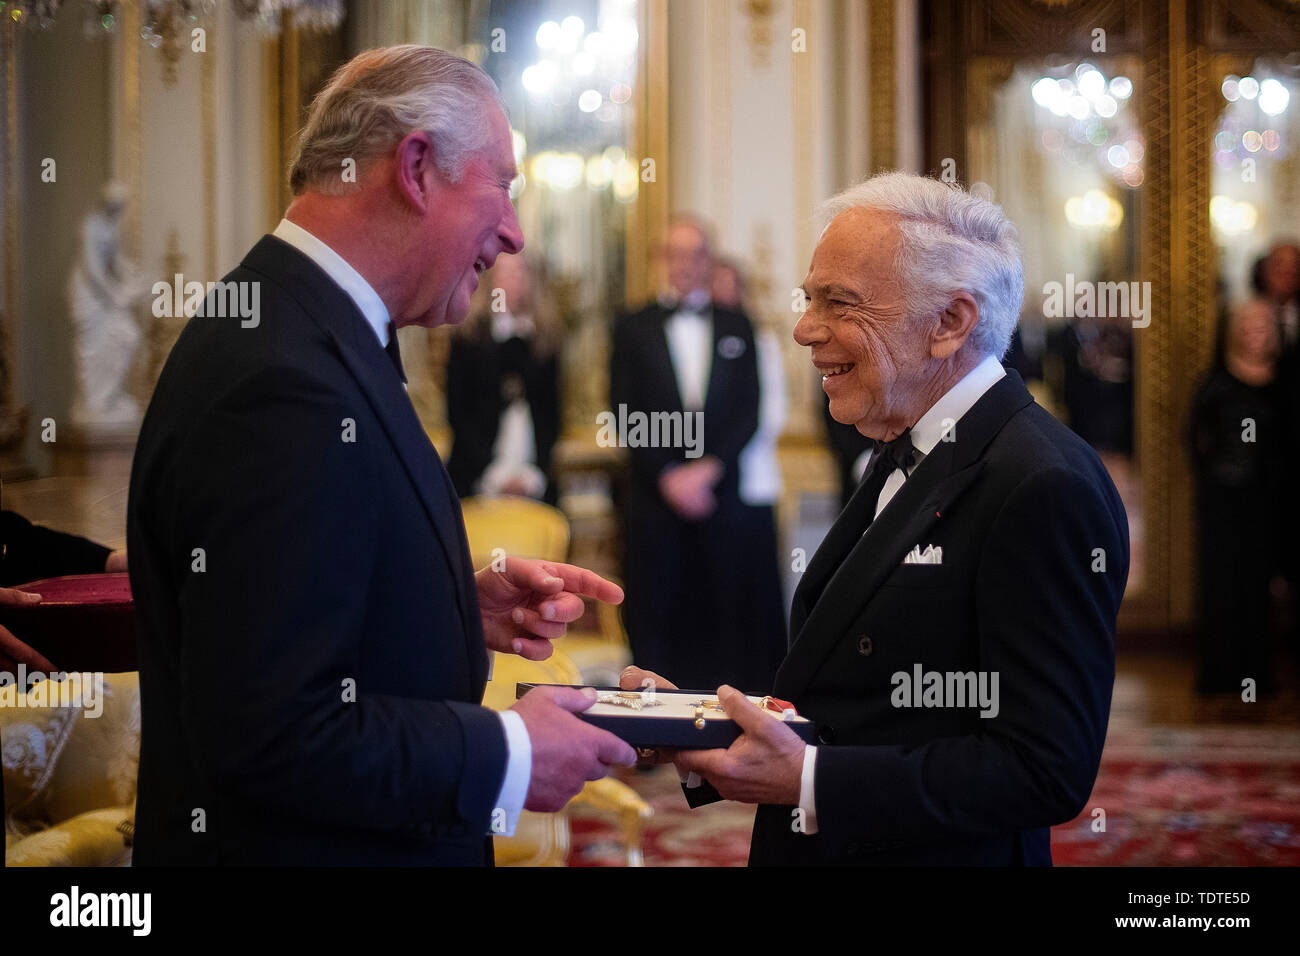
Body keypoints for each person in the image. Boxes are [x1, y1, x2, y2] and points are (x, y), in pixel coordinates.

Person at [127, 45, 635, 866]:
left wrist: (448, 607)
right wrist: (509, 753)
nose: (511, 232)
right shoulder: (285, 377)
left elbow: (296, 618)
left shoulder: (304, 327)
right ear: (417, 167)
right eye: (502, 186)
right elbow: (273, 733)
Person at [626, 172, 1129, 866]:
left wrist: (808, 779)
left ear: (950, 323)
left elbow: (1043, 769)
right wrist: (705, 729)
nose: (804, 329)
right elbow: (854, 699)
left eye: (839, 303)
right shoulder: (907, 442)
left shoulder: (1042, 484)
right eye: (810, 299)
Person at [609, 218, 786, 692]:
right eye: (675, 253)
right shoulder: (631, 326)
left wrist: (708, 470)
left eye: (694, 254)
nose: (684, 264)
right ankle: (649, 734)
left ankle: (725, 740)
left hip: (721, 498)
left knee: (724, 618)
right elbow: (623, 410)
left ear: (708, 260)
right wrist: (668, 475)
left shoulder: (737, 323)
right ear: (660, 260)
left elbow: (750, 408)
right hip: (654, 499)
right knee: (656, 612)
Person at [1190, 299, 1285, 694]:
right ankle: (1221, 675)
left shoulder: (1288, 382)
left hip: (1275, 502)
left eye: (1262, 324)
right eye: (1246, 324)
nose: (1254, 331)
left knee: (1262, 588)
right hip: (1225, 505)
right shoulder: (1215, 384)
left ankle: (1258, 675)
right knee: (1223, 586)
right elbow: (1196, 442)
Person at [446, 252, 561, 503]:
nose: (514, 280)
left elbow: (551, 414)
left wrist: (532, 476)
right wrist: (495, 475)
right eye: (505, 272)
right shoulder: (468, 338)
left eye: (520, 272)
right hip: (477, 477)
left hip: (533, 479)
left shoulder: (545, 339)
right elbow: (458, 414)